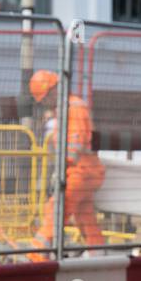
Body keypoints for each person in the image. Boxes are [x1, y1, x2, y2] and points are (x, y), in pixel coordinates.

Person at [29, 69, 105, 254]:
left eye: (46, 99)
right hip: (86, 172)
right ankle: (100, 255)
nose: (46, 104)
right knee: (85, 217)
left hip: (80, 172)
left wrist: (61, 171)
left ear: (53, 90)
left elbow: (74, 142)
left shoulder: (73, 108)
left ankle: (36, 254)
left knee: (55, 211)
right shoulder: (68, 108)